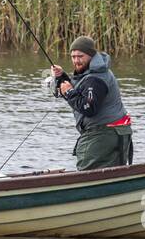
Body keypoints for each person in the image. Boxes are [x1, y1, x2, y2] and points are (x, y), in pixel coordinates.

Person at [51, 36, 133, 170]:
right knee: (111, 174)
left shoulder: (95, 78)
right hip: (114, 132)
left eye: (80, 56)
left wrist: (69, 92)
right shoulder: (95, 70)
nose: (76, 61)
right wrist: (62, 77)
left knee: (89, 174)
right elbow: (81, 91)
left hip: (103, 134)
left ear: (91, 55)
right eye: (73, 56)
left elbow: (88, 108)